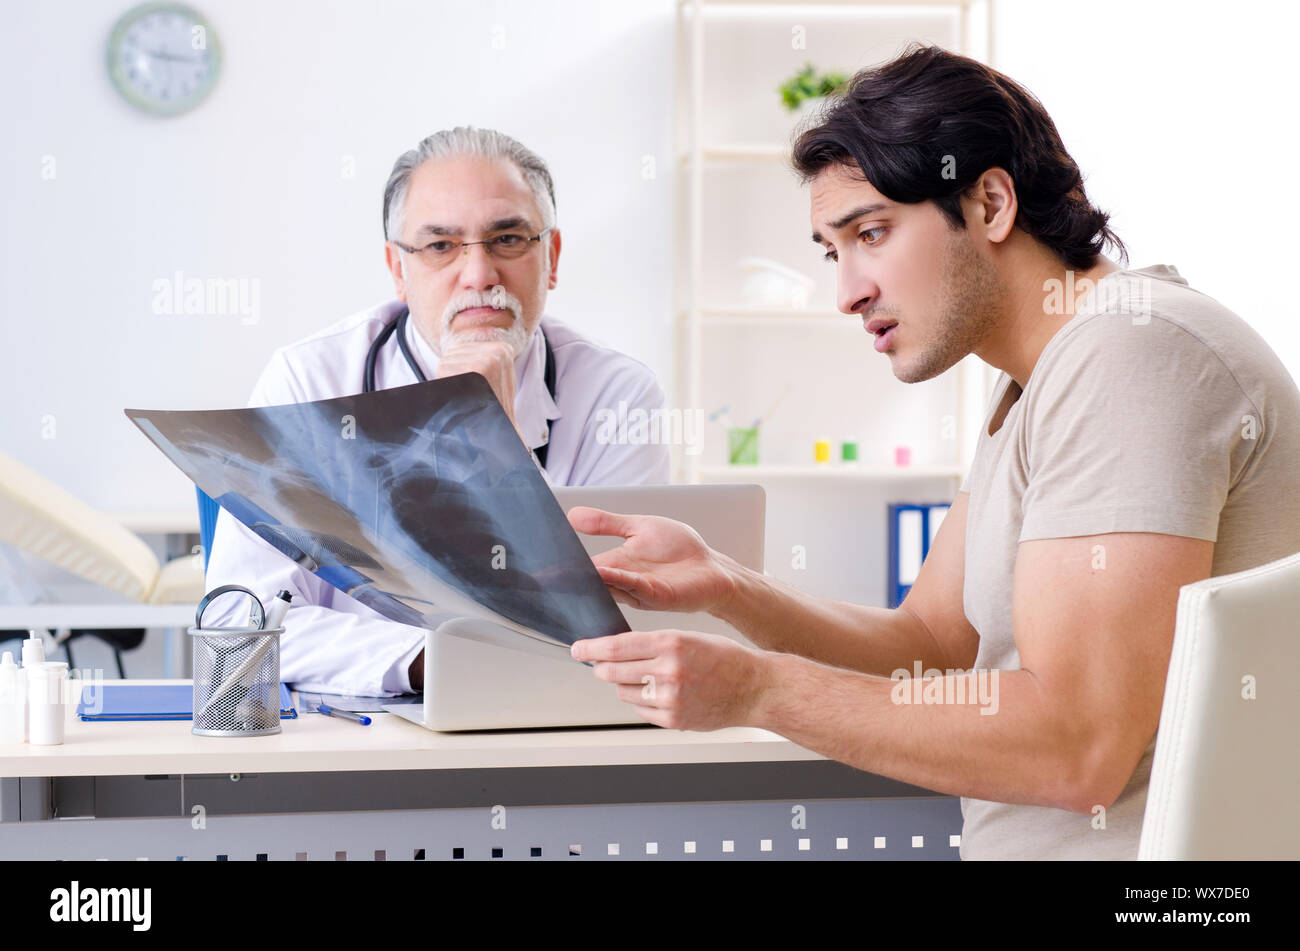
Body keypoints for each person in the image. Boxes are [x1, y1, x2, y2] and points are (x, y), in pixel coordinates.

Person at [566, 45, 1300, 860]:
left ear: (989, 203)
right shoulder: (1040, 380)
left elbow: (1078, 743)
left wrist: (755, 688)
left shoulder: (1131, 353)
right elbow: (930, 646)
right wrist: (731, 586)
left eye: (870, 233)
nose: (846, 291)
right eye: (831, 251)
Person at [204, 127, 670, 697]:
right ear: (398, 270)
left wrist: (497, 450)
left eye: (507, 238)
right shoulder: (308, 383)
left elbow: (616, 630)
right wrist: (440, 662)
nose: (479, 275)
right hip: (360, 738)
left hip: (561, 728)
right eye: (441, 246)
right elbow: (239, 628)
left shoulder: (617, 396)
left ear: (550, 257)